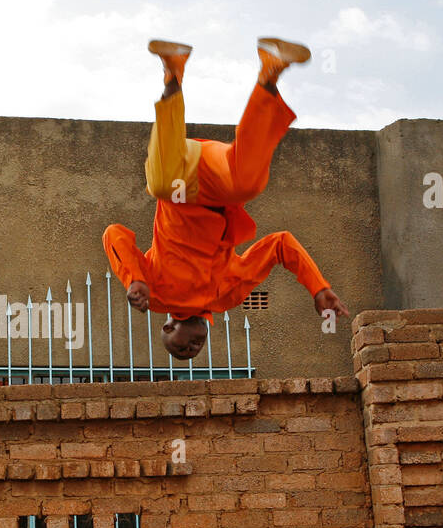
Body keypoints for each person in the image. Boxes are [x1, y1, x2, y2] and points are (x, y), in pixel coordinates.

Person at [103, 37, 349, 361]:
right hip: (219, 186)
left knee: (162, 184)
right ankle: (270, 73)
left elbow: (114, 235)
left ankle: (172, 75)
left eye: (181, 347)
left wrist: (134, 281)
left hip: (180, 182)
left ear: (166, 328)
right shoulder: (229, 296)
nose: (191, 347)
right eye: (195, 350)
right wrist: (318, 287)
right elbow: (280, 245)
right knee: (246, 187)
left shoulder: (155, 296)